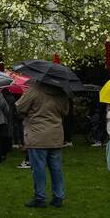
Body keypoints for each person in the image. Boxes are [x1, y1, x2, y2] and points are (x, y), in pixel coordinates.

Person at [17, 78, 71, 207]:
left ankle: (40, 197)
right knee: (56, 168)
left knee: (38, 168)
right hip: (56, 134)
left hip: (37, 135)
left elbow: (20, 107)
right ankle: (58, 197)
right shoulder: (61, 93)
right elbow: (65, 111)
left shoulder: (34, 90)